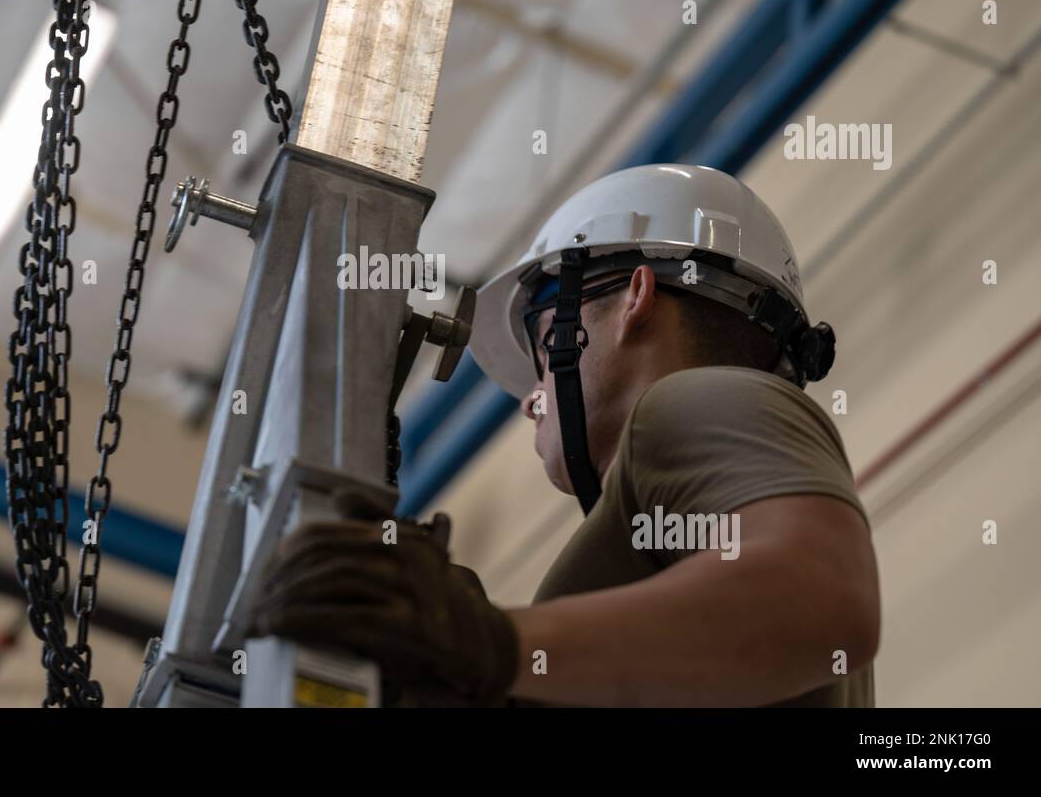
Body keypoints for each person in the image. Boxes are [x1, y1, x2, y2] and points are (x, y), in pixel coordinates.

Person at [250, 164, 880, 707]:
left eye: (545, 344)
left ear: (636, 297)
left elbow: (826, 599)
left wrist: (489, 642)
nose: (532, 401)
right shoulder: (651, 582)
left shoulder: (696, 398)